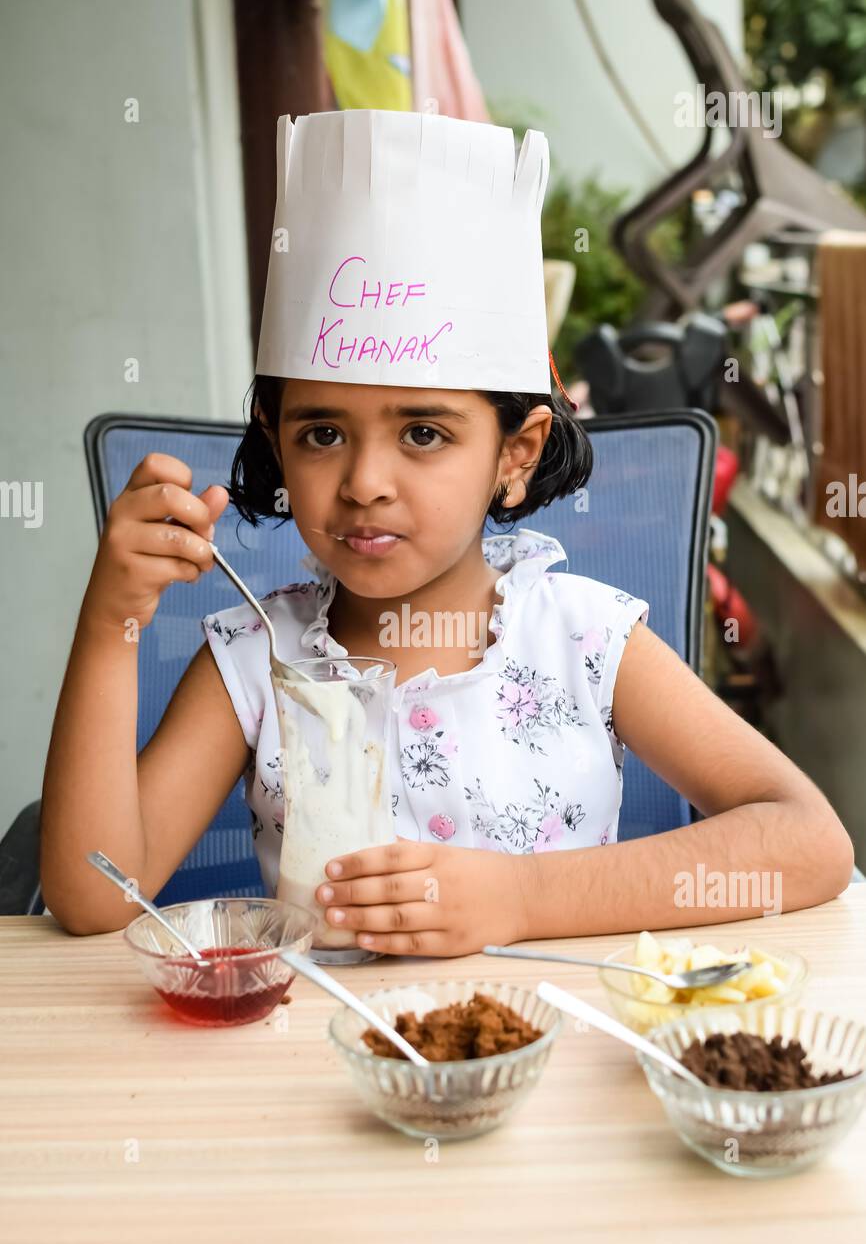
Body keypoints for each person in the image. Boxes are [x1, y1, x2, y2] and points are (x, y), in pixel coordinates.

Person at [40, 110, 854, 949]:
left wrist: (525, 899)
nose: (363, 483)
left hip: (559, 1055)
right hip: (308, 1067)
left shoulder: (583, 639)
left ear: (516, 453)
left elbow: (808, 842)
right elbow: (97, 897)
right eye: (321, 433)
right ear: (275, 437)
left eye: (423, 433)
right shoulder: (254, 661)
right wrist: (111, 623)